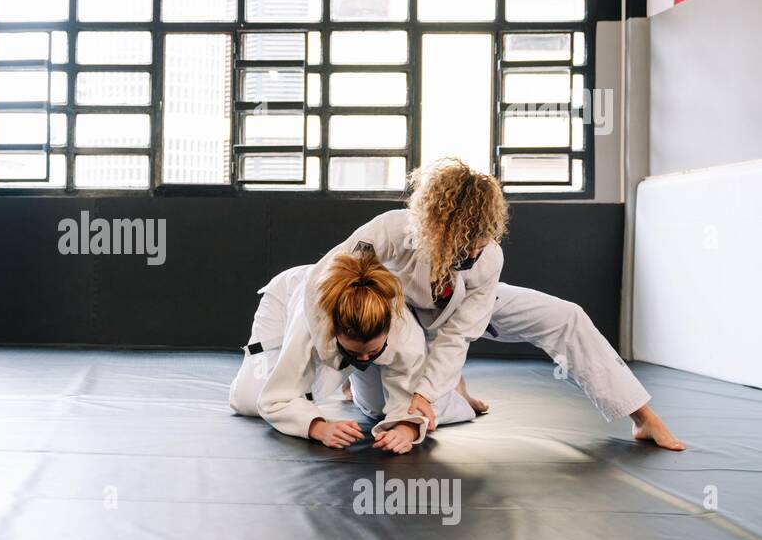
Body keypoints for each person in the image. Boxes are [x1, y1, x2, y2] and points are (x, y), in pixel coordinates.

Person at [329, 158, 685, 451]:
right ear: (436, 228)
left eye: (479, 243)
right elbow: (331, 281)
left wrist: (425, 392)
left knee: (566, 316)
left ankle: (643, 419)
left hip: (458, 307)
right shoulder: (392, 231)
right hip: (400, 318)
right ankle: (417, 387)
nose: (470, 253)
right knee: (383, 410)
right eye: (461, 245)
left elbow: (458, 335)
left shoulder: (486, 259)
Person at [230, 251, 476, 454]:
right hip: (286, 299)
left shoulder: (404, 333)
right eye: (356, 353)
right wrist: (317, 427)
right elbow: (276, 397)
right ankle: (347, 372)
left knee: (380, 410)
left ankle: (453, 387)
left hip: (359, 338)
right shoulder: (309, 323)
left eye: (372, 353)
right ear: (333, 332)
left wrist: (405, 430)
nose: (365, 360)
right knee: (250, 400)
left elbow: (407, 405)